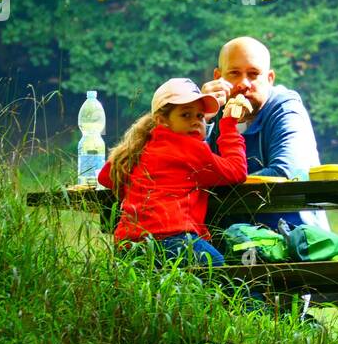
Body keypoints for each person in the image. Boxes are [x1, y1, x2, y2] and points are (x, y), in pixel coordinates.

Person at [97, 77, 252, 266]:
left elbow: (105, 177)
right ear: (161, 121)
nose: (196, 122)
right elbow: (237, 171)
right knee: (230, 282)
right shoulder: (191, 149)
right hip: (174, 241)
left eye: (200, 117)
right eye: (186, 115)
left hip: (128, 248)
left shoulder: (138, 148)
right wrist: (228, 126)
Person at [200, 36, 329, 232]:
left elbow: (286, 173)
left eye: (253, 74)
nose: (244, 83)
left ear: (269, 79)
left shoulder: (285, 108)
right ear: (218, 77)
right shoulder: (212, 113)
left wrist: (217, 188)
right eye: (234, 73)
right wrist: (200, 116)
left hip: (292, 239)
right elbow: (182, 174)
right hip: (228, 245)